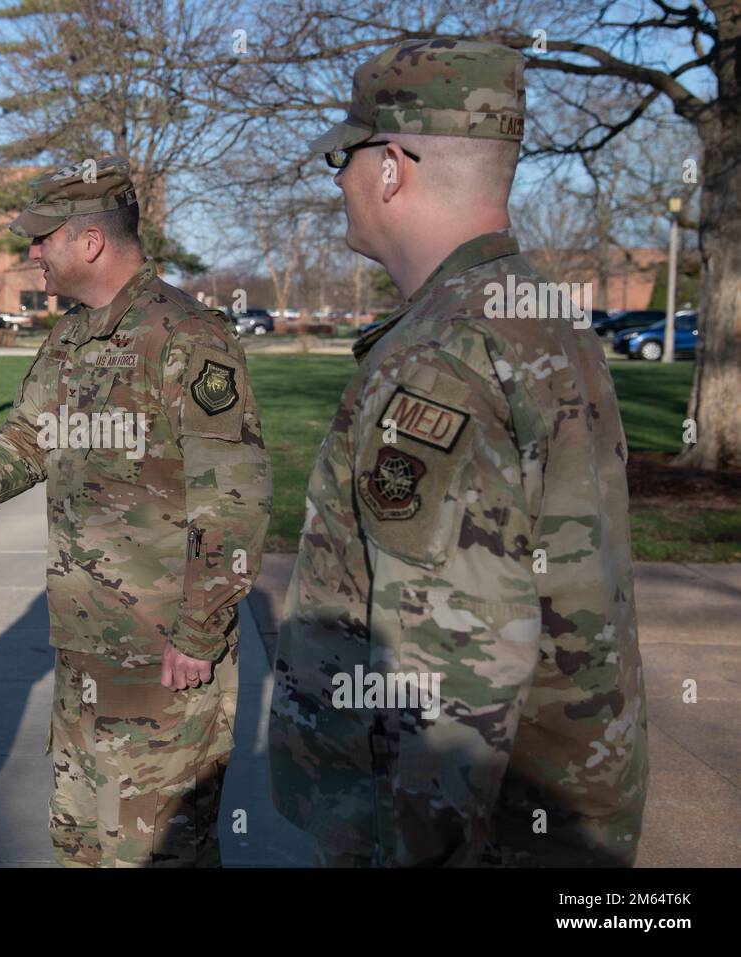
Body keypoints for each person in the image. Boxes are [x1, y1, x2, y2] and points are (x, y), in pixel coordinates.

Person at [269, 38, 648, 867]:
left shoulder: (443, 356)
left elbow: (446, 675)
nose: (338, 179)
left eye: (346, 156)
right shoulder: (541, 320)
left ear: (392, 167)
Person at [0, 155, 273, 866]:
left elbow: (234, 499)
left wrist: (197, 633)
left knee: (159, 849)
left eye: (42, 238)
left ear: (91, 241)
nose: (30, 253)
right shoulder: (69, 339)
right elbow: (20, 449)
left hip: (164, 659)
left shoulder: (188, 337)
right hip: (85, 657)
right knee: (84, 844)